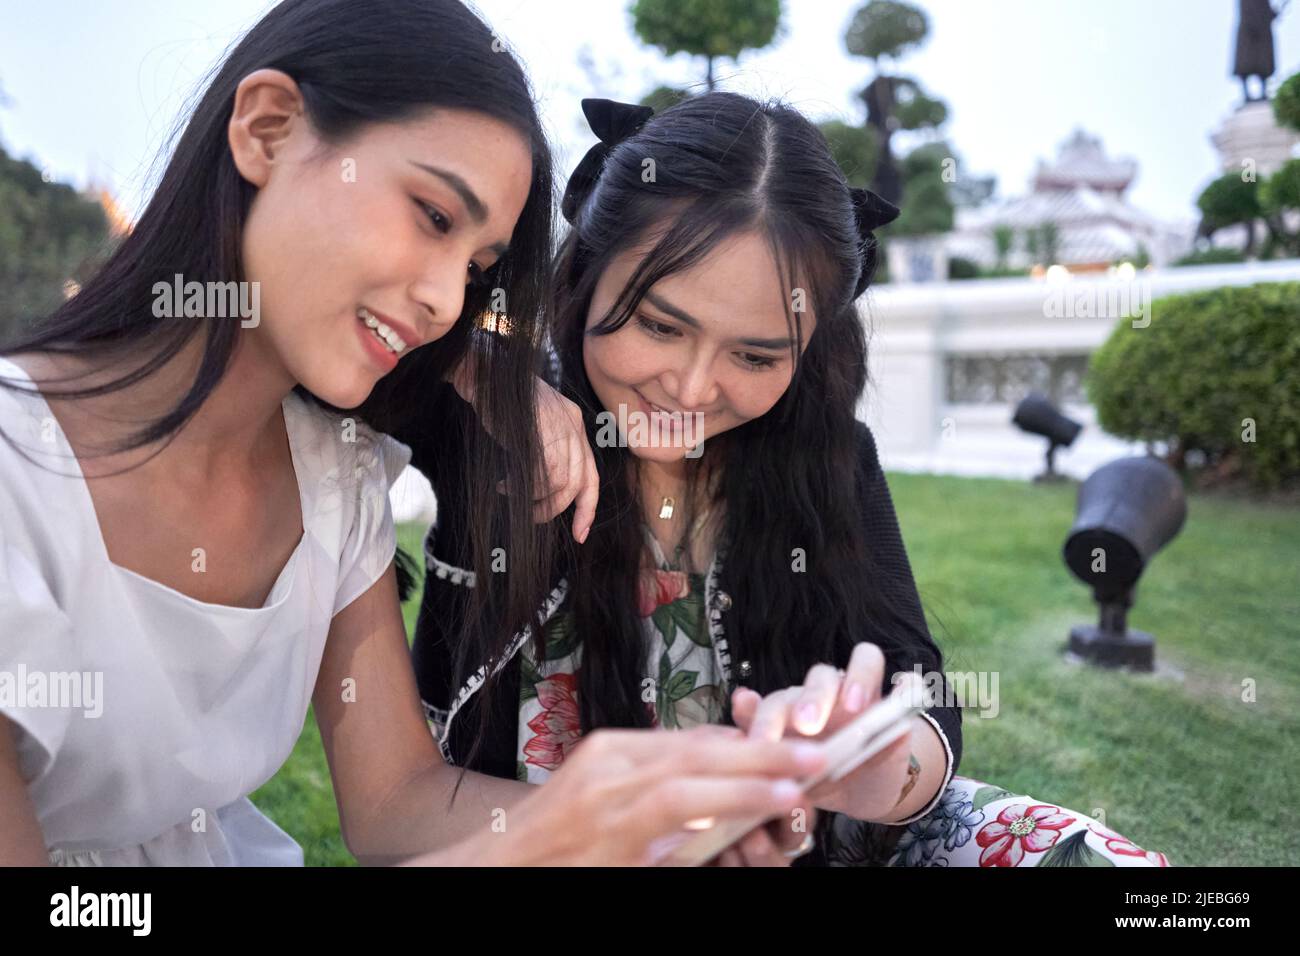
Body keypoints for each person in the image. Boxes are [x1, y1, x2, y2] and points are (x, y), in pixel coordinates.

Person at [0, 0, 819, 868]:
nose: (444, 299)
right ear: (268, 129)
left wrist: (641, 817)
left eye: (476, 268)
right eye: (432, 215)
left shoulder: (335, 475)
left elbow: (395, 800)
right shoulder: (21, 476)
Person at [407, 93, 1172, 868]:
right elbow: (330, 354)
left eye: (756, 356)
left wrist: (877, 767)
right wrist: (489, 369)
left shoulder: (829, 455)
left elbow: (918, 685)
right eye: (661, 326)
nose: (694, 389)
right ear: (589, 273)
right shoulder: (495, 429)